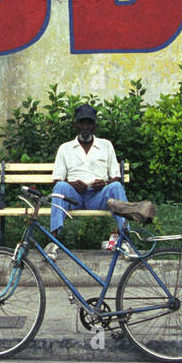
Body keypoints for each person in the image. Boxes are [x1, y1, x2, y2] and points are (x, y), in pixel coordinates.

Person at [47, 103, 127, 257]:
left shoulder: (106, 145)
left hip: (98, 197)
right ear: (75, 125)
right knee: (60, 188)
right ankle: (53, 242)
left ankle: (126, 241)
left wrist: (104, 184)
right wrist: (72, 184)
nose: (85, 127)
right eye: (82, 122)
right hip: (74, 197)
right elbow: (57, 179)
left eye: (89, 123)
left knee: (116, 186)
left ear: (95, 126)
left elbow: (116, 176)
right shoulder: (65, 148)